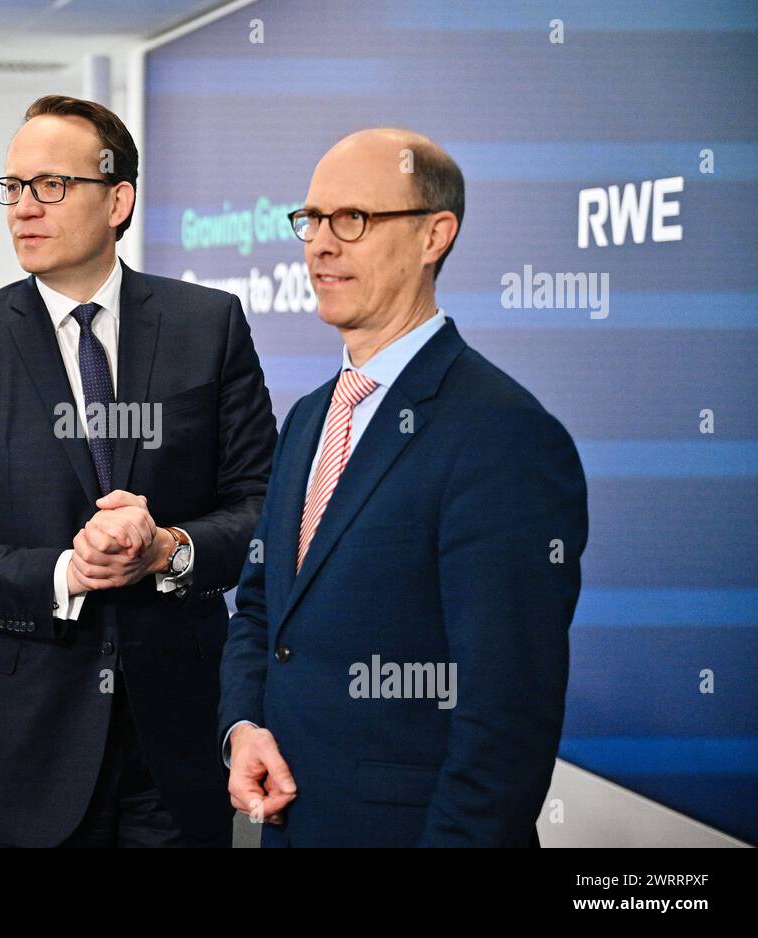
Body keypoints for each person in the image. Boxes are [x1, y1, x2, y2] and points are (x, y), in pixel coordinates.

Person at [0, 95, 277, 847]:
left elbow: (263, 507)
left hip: (176, 743)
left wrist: (169, 547)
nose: (22, 209)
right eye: (12, 187)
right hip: (20, 750)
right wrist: (67, 572)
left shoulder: (210, 325)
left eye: (51, 185)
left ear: (118, 199)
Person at [219, 128, 588, 847]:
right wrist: (244, 728)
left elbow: (505, 716)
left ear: (434, 236)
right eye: (312, 220)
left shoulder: (502, 434)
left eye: (352, 219)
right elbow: (263, 612)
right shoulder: (307, 419)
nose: (321, 244)